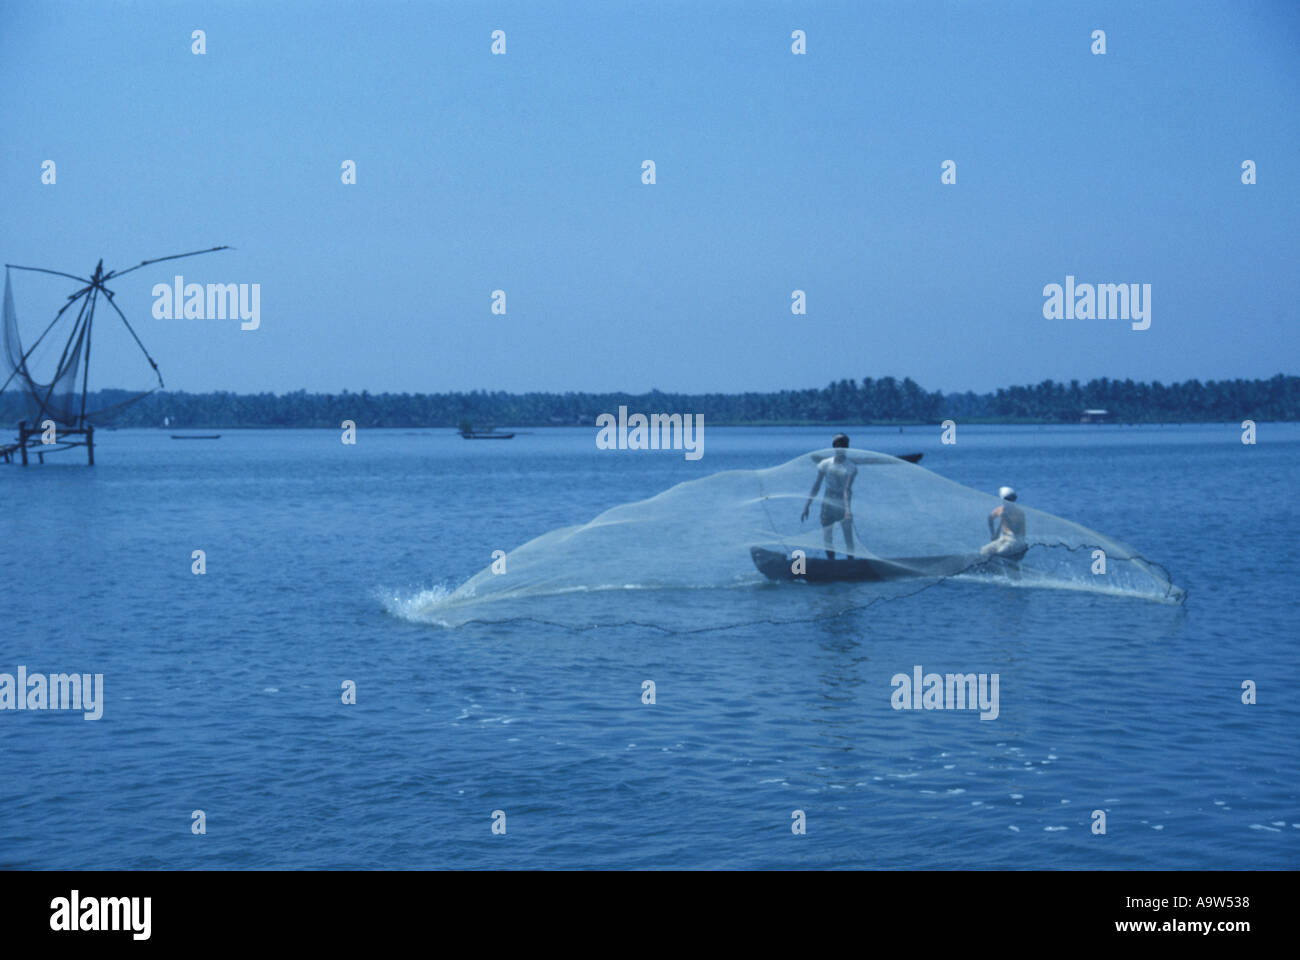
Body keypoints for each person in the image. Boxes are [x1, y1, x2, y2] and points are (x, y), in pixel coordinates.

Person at [801, 434, 858, 559]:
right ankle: (831, 562)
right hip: (827, 502)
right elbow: (817, 485)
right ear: (834, 447)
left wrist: (847, 511)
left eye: (844, 445)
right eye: (839, 445)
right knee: (827, 536)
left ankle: (851, 563)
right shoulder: (825, 464)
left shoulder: (851, 467)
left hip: (843, 502)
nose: (841, 448)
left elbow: (847, 490)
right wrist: (807, 506)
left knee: (847, 535)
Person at [981, 486, 1027, 558]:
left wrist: (1008, 519)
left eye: (1010, 500)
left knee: (1000, 552)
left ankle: (1002, 566)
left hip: (1015, 539)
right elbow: (990, 518)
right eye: (1006, 500)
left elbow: (1016, 530)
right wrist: (993, 534)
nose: (1008, 502)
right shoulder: (1000, 510)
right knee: (984, 550)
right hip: (1003, 538)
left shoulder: (1018, 512)